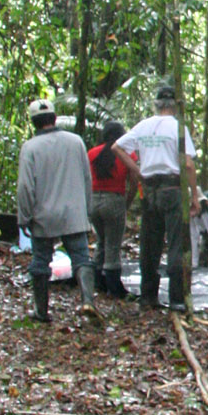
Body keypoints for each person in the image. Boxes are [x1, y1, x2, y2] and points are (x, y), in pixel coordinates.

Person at [114, 79, 197, 312]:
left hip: (150, 190)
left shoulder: (143, 126)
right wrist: (194, 196)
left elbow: (117, 147)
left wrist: (137, 170)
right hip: (172, 189)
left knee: (150, 244)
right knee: (176, 243)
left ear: (157, 104)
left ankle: (148, 295)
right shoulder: (178, 128)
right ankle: (177, 298)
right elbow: (188, 164)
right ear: (175, 105)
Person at [17, 97, 100, 326]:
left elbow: (25, 186)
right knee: (81, 258)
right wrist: (87, 210)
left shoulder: (30, 148)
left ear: (33, 123)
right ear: (54, 118)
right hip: (73, 212)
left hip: (43, 215)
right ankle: (88, 301)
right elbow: (87, 178)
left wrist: (24, 216)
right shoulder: (75, 142)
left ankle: (41, 310)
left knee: (40, 261)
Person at [89, 119, 135, 297]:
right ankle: (114, 286)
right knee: (113, 244)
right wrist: (127, 203)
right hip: (114, 199)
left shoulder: (92, 153)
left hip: (94, 200)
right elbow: (133, 180)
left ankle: (97, 281)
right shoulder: (125, 154)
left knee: (101, 240)